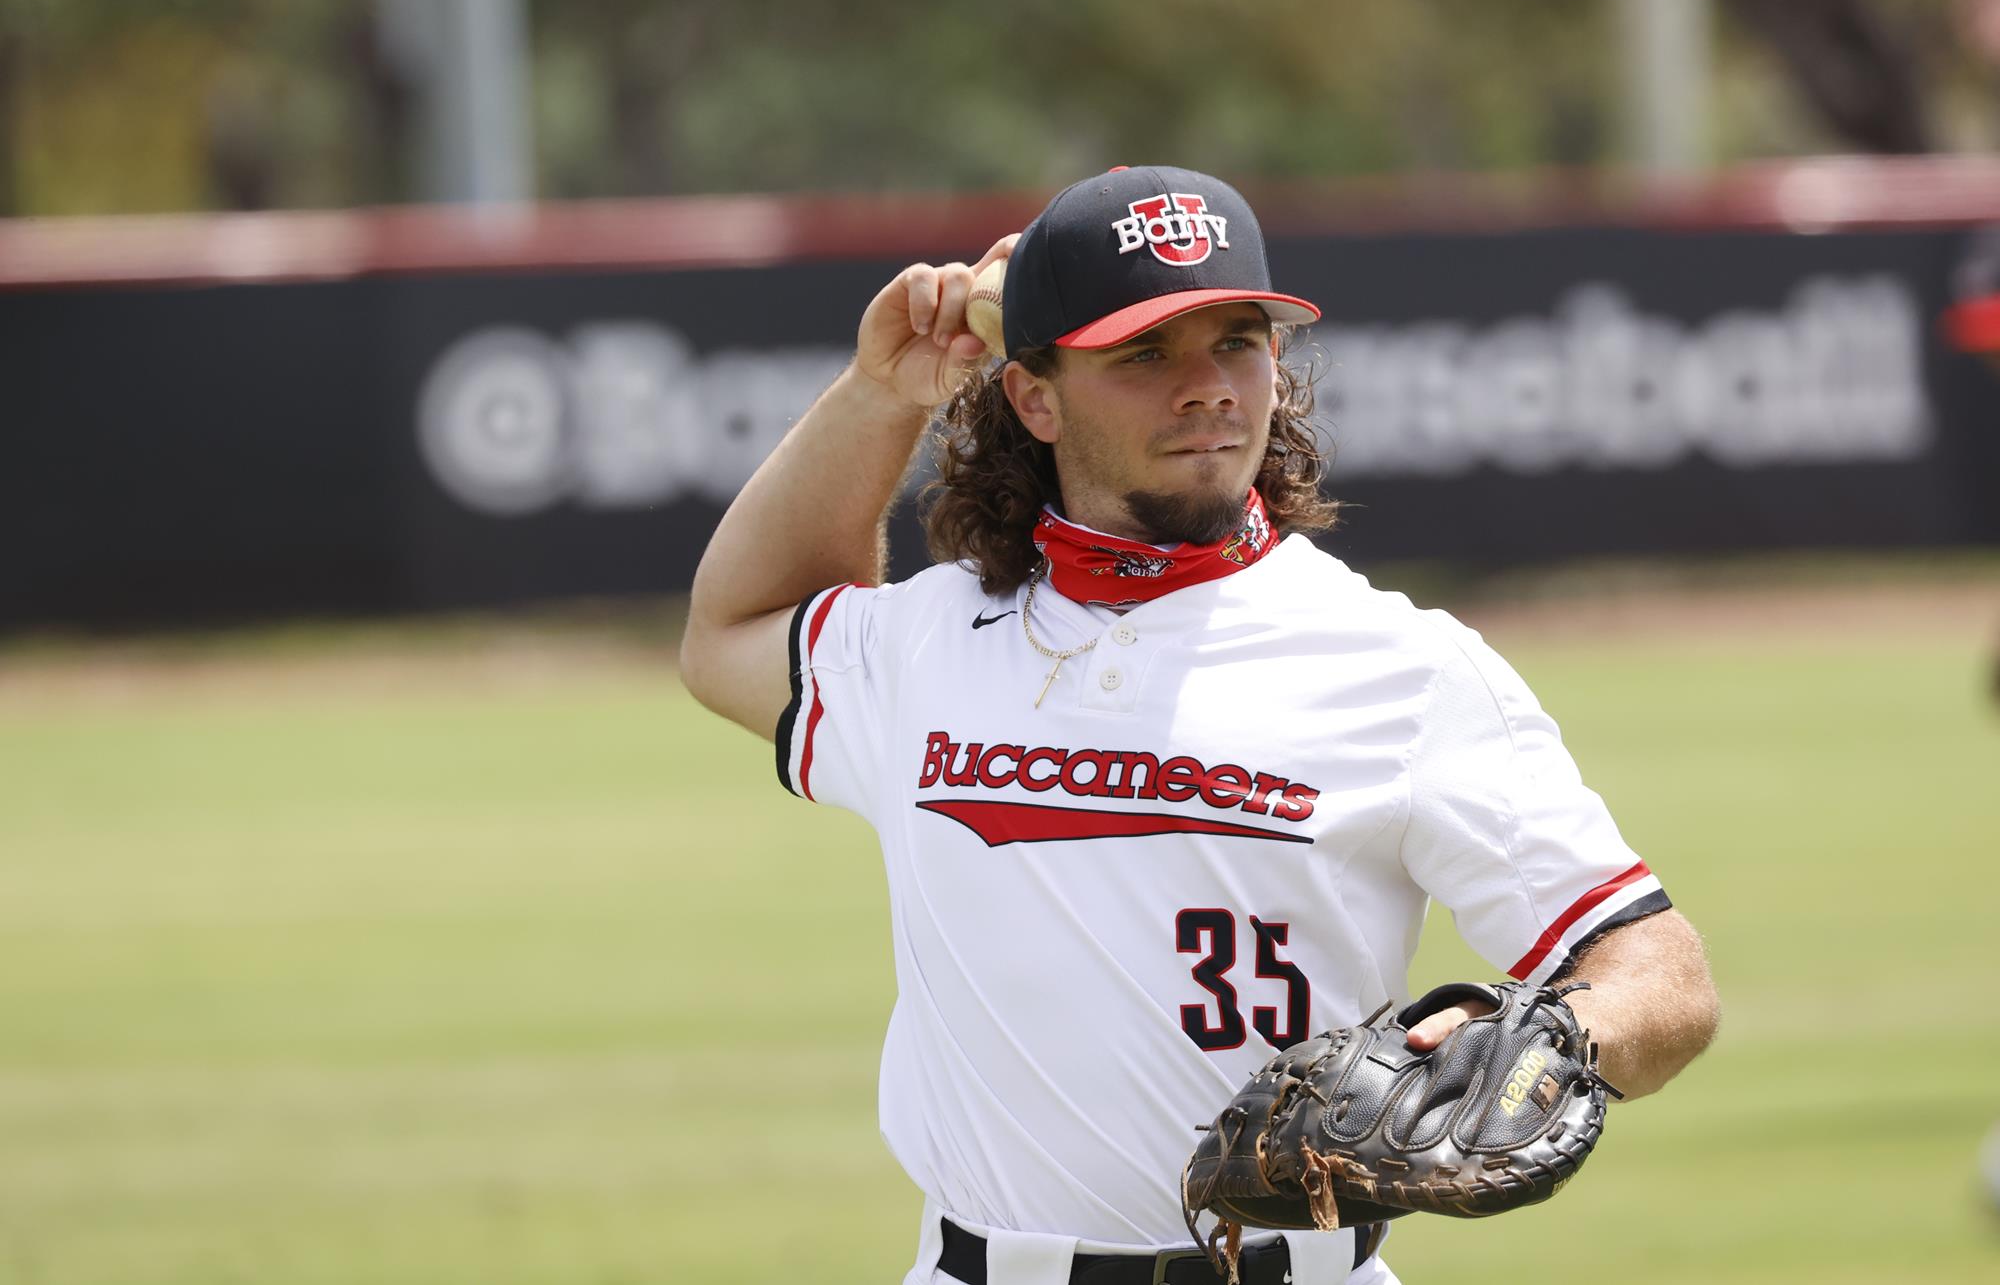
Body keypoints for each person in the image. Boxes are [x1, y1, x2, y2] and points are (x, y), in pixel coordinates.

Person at [681, 165, 1720, 1285]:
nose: (1208, 387)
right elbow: (729, 631)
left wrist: (1541, 1047)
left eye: (1235, 340)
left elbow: (1658, 976)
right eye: (1144, 354)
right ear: (1035, 397)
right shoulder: (929, 642)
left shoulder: (1399, 664)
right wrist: (882, 393)